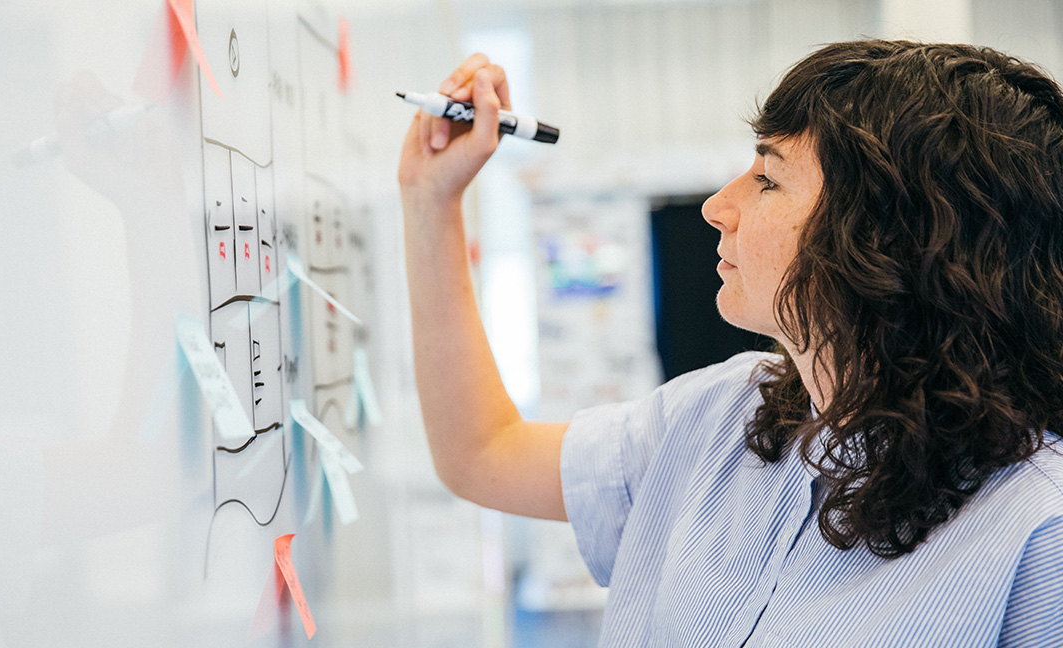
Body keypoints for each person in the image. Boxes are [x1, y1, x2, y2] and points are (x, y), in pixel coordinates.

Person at [397, 40, 1063, 646]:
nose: (718, 205)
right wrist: (431, 201)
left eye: (768, 178)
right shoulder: (716, 416)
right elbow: (483, 452)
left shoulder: (1038, 529)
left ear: (894, 239)